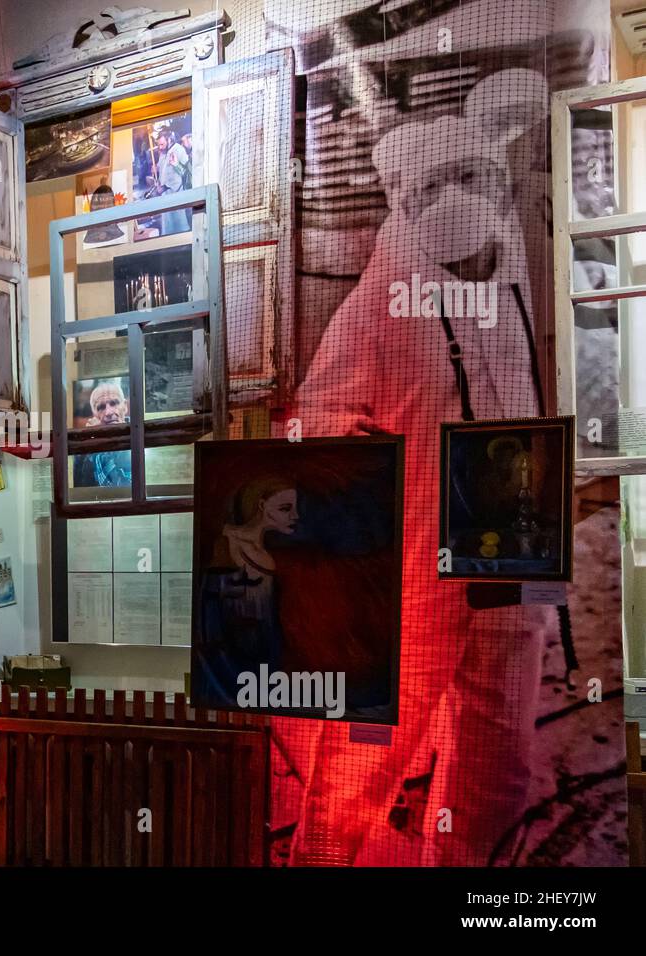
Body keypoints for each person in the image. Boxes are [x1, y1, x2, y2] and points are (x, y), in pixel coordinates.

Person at [287, 96, 549, 866]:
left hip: (519, 545)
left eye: (468, 176)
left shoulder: (528, 267)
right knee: (373, 746)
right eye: (428, 189)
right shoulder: (380, 302)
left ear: (498, 183)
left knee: (495, 746)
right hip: (419, 561)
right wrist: (371, 507)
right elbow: (319, 418)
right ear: (402, 200)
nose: (452, 200)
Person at [193, 477, 298, 705]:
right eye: (285, 508)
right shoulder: (227, 541)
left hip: (261, 655)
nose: (295, 516)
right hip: (229, 659)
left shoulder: (265, 555)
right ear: (261, 506)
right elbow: (211, 611)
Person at [73, 381, 131, 488]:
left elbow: (122, 486)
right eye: (101, 407)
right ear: (94, 414)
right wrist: (91, 438)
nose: (108, 412)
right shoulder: (84, 449)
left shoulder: (136, 435)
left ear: (125, 406)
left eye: (114, 403)